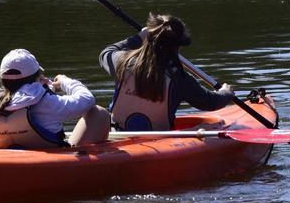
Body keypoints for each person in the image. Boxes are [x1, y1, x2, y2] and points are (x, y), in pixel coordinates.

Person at [100, 12, 241, 131]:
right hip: (158, 143)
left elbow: (105, 53)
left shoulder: (122, 62)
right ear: (177, 46)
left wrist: (138, 38)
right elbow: (210, 102)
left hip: (116, 138)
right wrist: (226, 92)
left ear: (148, 38)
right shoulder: (179, 80)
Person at [0, 48, 111, 149]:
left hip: (6, 163)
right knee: (99, 113)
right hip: (49, 168)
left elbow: (21, 100)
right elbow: (87, 99)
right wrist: (64, 82)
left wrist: (46, 90)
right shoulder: (47, 103)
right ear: (36, 77)